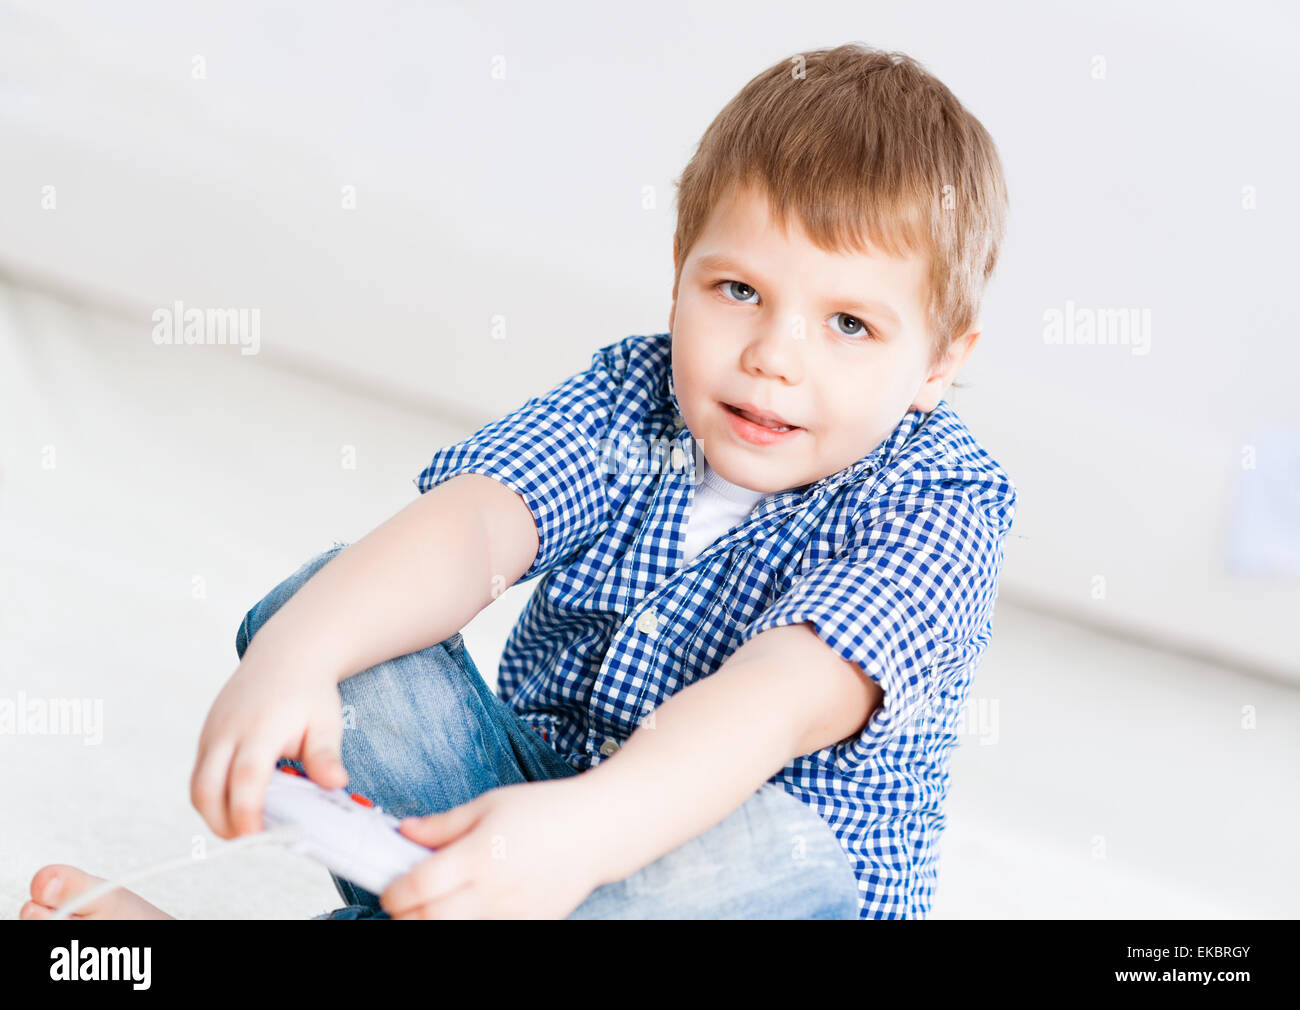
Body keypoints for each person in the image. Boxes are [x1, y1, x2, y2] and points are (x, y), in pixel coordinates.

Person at [22, 42, 1016, 921]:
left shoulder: (942, 502)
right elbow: (475, 530)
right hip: (525, 816)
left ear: (936, 361)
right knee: (336, 605)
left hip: (732, 878)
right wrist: (295, 653)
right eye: (740, 290)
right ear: (679, 273)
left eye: (848, 325)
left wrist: (581, 836)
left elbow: (772, 700)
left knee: (745, 860)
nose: (773, 355)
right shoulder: (634, 394)